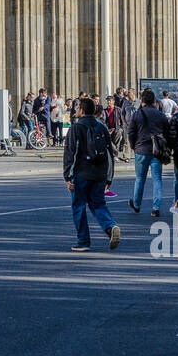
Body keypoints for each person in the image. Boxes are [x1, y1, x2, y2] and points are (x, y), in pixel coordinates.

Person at [63, 97, 121, 252]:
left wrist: (67, 177)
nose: (75, 110)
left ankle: (83, 241)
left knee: (79, 206)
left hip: (81, 173)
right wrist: (109, 177)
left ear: (82, 110)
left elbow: (70, 153)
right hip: (100, 173)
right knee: (98, 204)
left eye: (77, 108)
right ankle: (110, 226)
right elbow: (109, 153)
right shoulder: (101, 126)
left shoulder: (76, 127)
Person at [128, 87, 171, 217]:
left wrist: (134, 146)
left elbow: (131, 133)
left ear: (142, 101)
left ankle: (136, 204)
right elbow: (167, 133)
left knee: (140, 178)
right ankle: (156, 207)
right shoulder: (160, 115)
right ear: (154, 102)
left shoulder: (137, 114)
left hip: (141, 150)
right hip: (156, 151)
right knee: (157, 179)